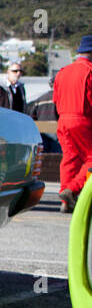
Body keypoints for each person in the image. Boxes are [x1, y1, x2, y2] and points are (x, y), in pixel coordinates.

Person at [54, 35, 92, 212]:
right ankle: (72, 189)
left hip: (63, 120)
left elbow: (55, 99)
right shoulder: (90, 71)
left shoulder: (62, 72)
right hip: (82, 119)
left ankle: (65, 200)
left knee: (70, 158)